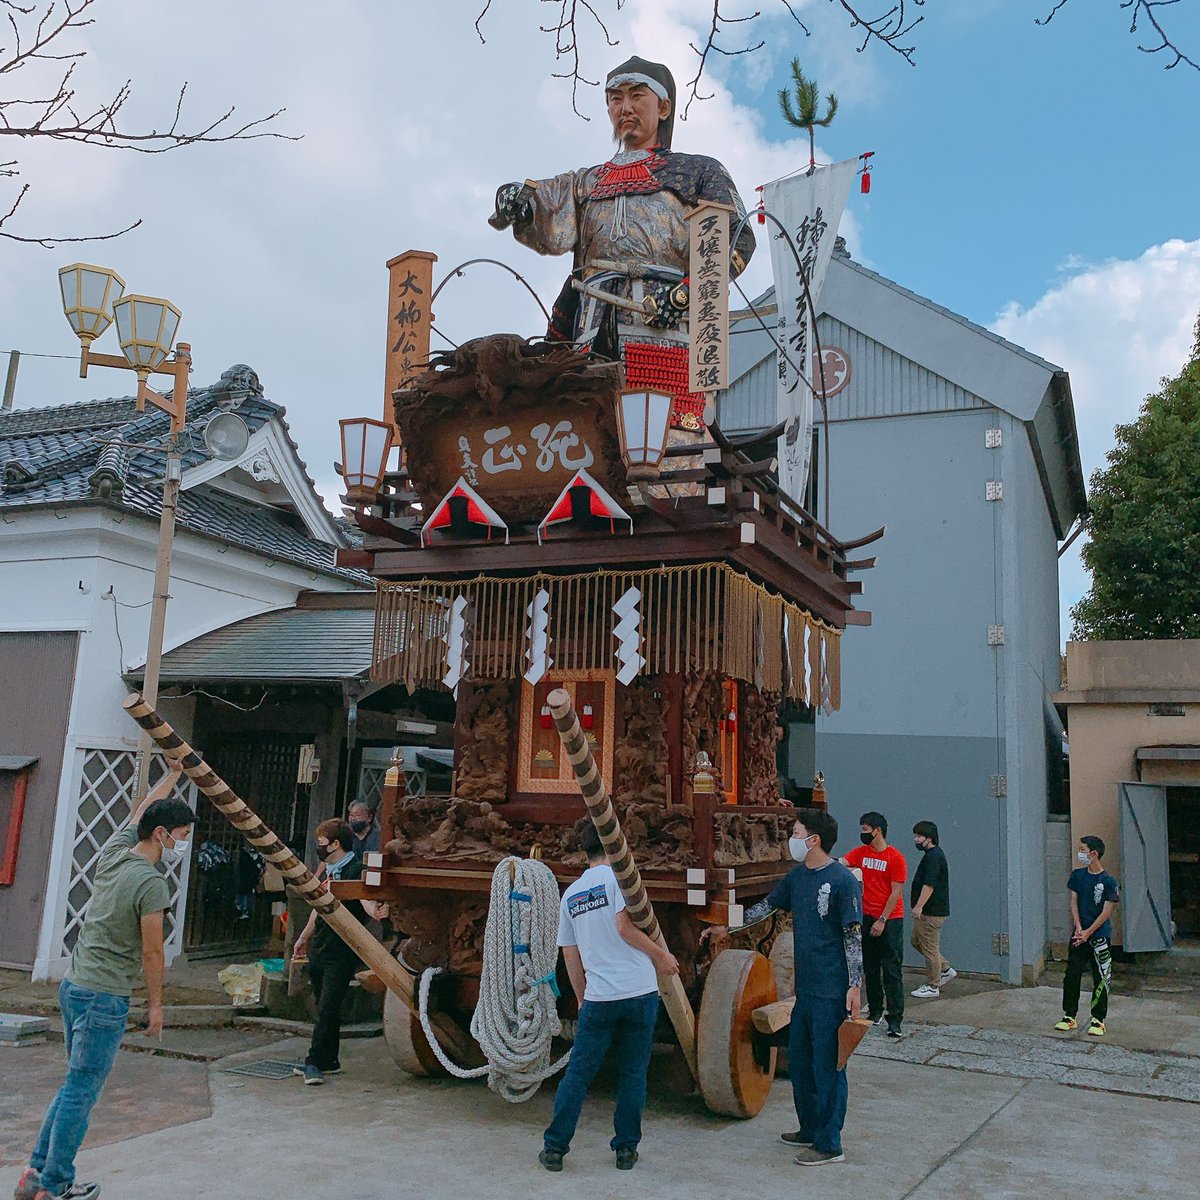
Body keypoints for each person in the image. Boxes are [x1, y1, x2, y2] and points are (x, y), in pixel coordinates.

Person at [491, 55, 756, 436]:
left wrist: (685, 295)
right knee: (587, 432)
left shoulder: (697, 171)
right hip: (592, 320)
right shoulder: (586, 181)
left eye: (636, 96)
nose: (625, 108)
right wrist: (517, 200)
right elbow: (542, 206)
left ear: (663, 106)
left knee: (666, 436)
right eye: (615, 99)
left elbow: (736, 238)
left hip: (664, 319)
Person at [16, 771, 194, 1200]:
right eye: (181, 835)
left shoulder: (114, 853)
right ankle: (54, 1186)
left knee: (73, 1085)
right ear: (161, 834)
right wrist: (156, 1006)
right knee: (81, 1091)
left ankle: (37, 1175)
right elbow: (153, 953)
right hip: (105, 997)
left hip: (75, 987)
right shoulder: (152, 883)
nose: (182, 844)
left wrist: (174, 772)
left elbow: (140, 809)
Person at [540, 820, 679, 1173]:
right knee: (633, 1073)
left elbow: (569, 955)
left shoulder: (570, 895)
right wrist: (661, 955)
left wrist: (584, 998)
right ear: (616, 845)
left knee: (579, 1074)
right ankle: (626, 1150)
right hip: (639, 991)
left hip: (600, 997)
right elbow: (624, 927)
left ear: (584, 851)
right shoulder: (621, 880)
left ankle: (555, 1147)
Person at [740, 808, 862, 1167]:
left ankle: (830, 1142)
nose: (791, 840)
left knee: (829, 1065)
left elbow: (852, 935)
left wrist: (855, 985)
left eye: (795, 832)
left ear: (813, 840)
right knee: (802, 1063)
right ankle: (809, 1127)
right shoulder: (796, 879)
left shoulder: (842, 881)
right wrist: (726, 925)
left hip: (832, 989)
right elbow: (765, 908)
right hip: (805, 991)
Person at [291, 818, 379, 1085]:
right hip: (320, 946)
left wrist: (376, 912)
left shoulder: (356, 868)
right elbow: (318, 909)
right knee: (324, 1005)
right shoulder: (327, 870)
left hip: (342, 949)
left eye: (322, 844)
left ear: (336, 844)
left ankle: (314, 1062)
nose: (320, 849)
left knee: (328, 1006)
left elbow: (365, 898)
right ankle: (330, 1059)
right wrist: (303, 938)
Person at [842, 811, 907, 1038]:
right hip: (866, 916)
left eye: (865, 830)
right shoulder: (861, 853)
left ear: (877, 830)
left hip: (890, 919)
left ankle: (895, 1018)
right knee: (870, 966)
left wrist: (882, 919)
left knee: (891, 970)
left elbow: (896, 892)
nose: (863, 834)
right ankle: (876, 1010)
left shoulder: (895, 857)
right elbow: (842, 863)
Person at [1055, 835, 1120, 1037]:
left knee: (1100, 976)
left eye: (1083, 849)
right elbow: (1073, 902)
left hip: (1099, 936)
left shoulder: (1108, 881)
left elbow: (1106, 912)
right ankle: (1069, 1015)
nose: (1080, 853)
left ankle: (1098, 1019)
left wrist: (1089, 932)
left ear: (1093, 853)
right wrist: (1078, 928)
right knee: (1072, 975)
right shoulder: (1077, 876)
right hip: (1078, 934)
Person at [909, 820, 955, 1000]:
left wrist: (919, 906)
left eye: (919, 836)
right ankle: (945, 969)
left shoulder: (933, 857)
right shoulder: (931, 855)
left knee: (930, 949)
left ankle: (933, 985)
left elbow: (929, 885)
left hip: (931, 912)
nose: (916, 839)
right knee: (916, 941)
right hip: (929, 911)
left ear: (929, 838)